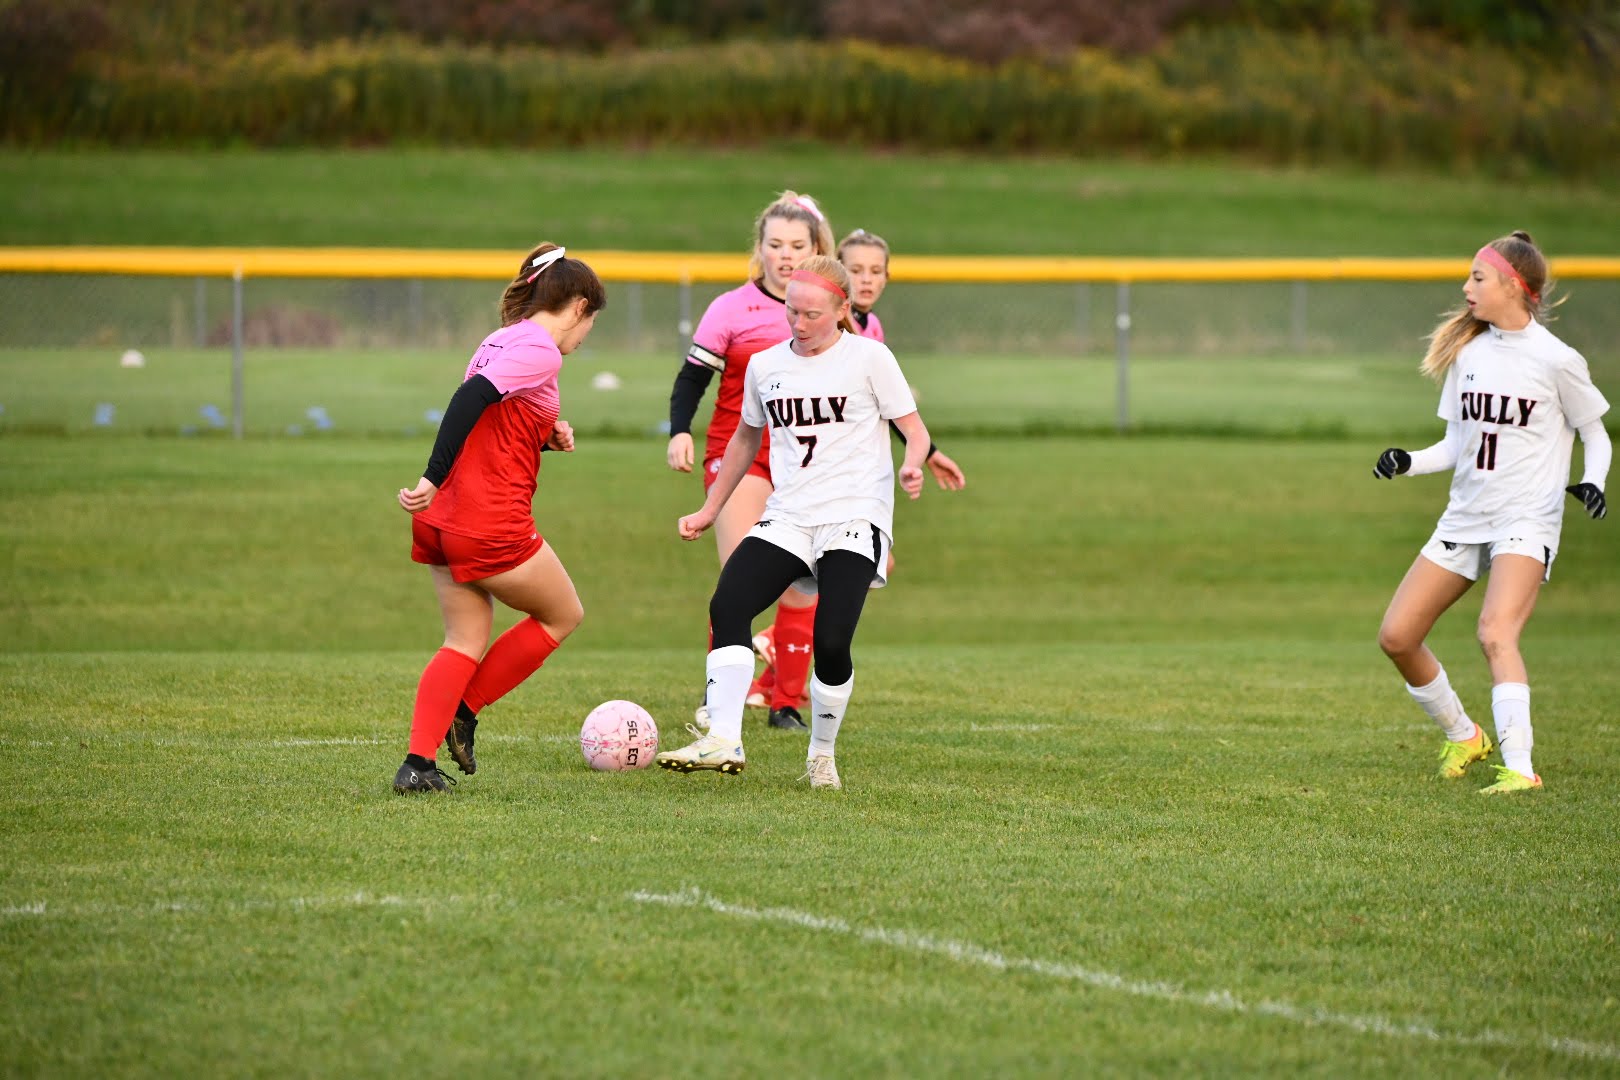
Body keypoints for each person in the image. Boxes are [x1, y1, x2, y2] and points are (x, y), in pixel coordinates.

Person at [655, 255, 932, 790]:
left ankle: (821, 753)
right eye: (791, 312)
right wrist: (711, 509)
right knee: (728, 603)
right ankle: (725, 739)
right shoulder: (765, 366)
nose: (798, 325)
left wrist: (914, 463)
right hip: (790, 516)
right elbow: (744, 440)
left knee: (831, 641)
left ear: (842, 310)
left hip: (854, 516)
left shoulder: (871, 358)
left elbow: (914, 431)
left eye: (811, 315)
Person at [1373, 230, 1609, 795]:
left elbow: (1595, 435)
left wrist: (1593, 481)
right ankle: (1463, 733)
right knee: (1397, 637)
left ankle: (1521, 769)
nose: (1465, 287)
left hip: (1527, 517)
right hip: (1466, 516)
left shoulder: (1557, 360)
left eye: (1477, 278)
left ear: (1513, 285)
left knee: (1495, 631)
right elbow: (1456, 445)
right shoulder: (1470, 353)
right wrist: (1407, 461)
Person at [392, 243, 606, 793]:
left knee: (464, 639)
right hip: (487, 522)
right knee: (562, 615)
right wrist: (430, 477)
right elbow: (468, 401)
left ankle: (417, 766)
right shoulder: (543, 349)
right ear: (579, 305)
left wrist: (546, 436)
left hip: (443, 520)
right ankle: (465, 707)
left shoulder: (499, 338)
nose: (585, 338)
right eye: (591, 323)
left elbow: (495, 421)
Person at [667, 191, 836, 732]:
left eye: (797, 245)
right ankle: (722, 706)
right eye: (775, 245)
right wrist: (678, 432)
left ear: (815, 249)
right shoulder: (732, 308)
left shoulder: (834, 314)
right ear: (758, 250)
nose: (785, 255)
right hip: (739, 457)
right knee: (740, 579)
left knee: (801, 583)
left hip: (805, 465)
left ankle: (785, 701)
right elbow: (693, 377)